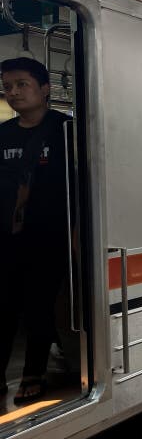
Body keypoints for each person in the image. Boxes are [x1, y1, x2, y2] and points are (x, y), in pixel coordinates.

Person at [0, 57, 71, 404]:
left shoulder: (66, 131)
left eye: (21, 84)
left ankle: (34, 373)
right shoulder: (3, 135)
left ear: (45, 89)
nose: (13, 92)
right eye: (7, 87)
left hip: (50, 236)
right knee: (4, 307)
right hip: (7, 237)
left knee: (37, 307)